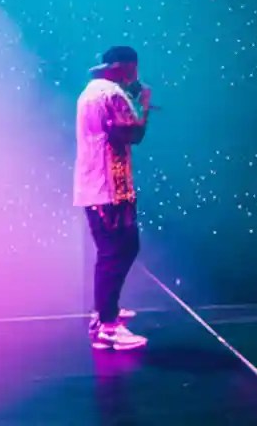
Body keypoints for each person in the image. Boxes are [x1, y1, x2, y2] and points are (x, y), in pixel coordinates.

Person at [75, 46, 152, 350]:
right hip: (109, 189)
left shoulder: (91, 91)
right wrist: (143, 101)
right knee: (115, 252)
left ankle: (106, 312)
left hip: (100, 186)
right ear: (126, 67)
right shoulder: (110, 93)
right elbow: (134, 134)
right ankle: (107, 324)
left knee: (119, 249)